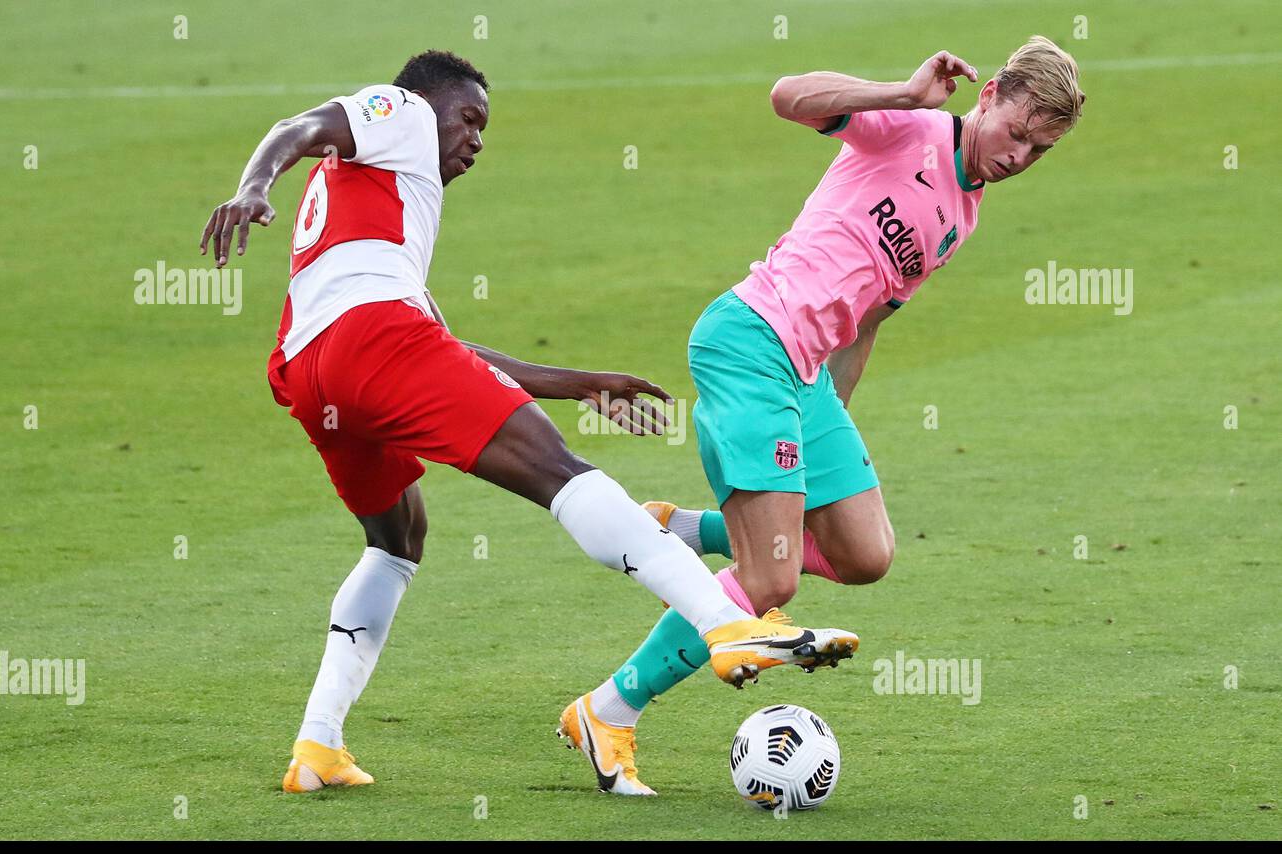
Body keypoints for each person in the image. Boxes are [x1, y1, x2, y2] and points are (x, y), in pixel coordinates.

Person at [199, 50, 857, 795]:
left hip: (311, 363)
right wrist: (252, 187)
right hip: (371, 339)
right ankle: (725, 625)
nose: (476, 139)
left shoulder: (371, 210)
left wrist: (573, 383)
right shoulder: (403, 111)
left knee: (397, 539)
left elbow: (440, 352)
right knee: (560, 473)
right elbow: (303, 124)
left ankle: (317, 746)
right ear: (427, 101)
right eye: (469, 118)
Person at [562, 37, 1085, 794]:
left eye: (1041, 150)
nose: (1021, 157)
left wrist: (821, 431)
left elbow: (869, 319)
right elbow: (787, 94)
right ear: (992, 91)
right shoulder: (908, 128)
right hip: (751, 341)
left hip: (805, 376)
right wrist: (904, 93)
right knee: (770, 579)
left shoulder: (963, 217)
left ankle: (685, 528)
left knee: (863, 555)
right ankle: (607, 712)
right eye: (1018, 132)